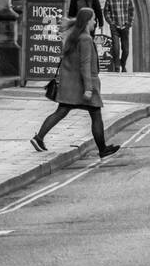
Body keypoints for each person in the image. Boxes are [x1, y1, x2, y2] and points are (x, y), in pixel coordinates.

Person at [30, 9, 119, 159]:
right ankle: (103, 149)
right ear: (86, 21)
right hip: (81, 86)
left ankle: (39, 138)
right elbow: (85, 64)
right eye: (93, 20)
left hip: (70, 86)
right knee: (96, 115)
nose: (95, 22)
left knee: (61, 111)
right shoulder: (85, 39)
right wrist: (88, 89)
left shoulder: (73, 36)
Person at [103, 0, 135, 73]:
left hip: (125, 27)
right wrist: (111, 23)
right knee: (116, 49)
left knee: (126, 50)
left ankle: (123, 64)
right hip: (115, 27)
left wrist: (129, 24)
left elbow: (132, 12)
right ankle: (117, 67)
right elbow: (106, 12)